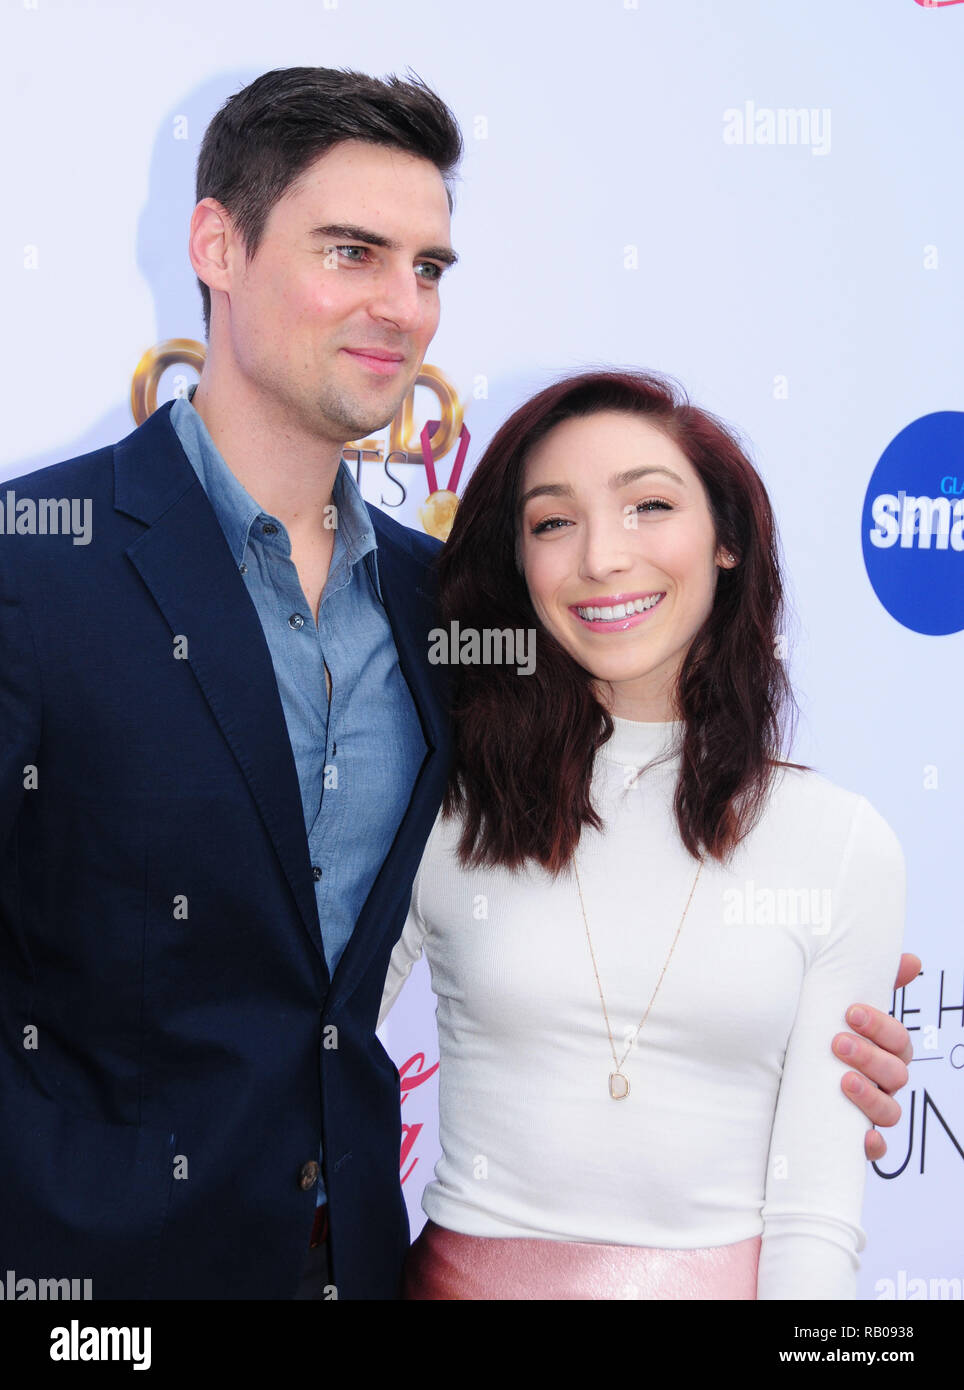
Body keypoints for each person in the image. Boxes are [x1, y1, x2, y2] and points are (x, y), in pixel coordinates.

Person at [0, 68, 915, 1302]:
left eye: (427, 268)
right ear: (217, 243)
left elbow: (605, 817)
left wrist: (815, 1000)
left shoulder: (457, 614)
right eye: (352, 253)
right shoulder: (34, 566)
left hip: (368, 1268)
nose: (400, 307)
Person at [380, 370, 908, 1300]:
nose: (601, 558)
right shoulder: (443, 800)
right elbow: (297, 1042)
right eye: (552, 522)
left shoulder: (838, 844)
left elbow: (815, 1218)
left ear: (728, 542)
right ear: (518, 564)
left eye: (648, 507)